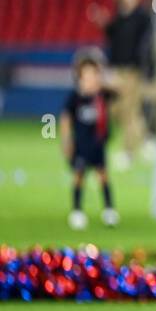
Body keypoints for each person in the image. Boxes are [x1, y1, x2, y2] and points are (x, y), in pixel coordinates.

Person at [93, 0, 152, 165]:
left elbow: (143, 46)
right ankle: (145, 140)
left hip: (132, 71)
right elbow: (116, 40)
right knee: (117, 111)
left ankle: (131, 151)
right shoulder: (120, 14)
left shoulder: (142, 15)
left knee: (130, 111)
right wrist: (106, 25)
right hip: (116, 70)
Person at [61, 50, 118, 229]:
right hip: (81, 144)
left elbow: (121, 88)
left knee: (103, 176)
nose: (91, 78)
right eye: (87, 74)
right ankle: (77, 210)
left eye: (94, 74)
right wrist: (66, 140)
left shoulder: (102, 95)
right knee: (79, 176)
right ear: (79, 77)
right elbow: (65, 119)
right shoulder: (75, 98)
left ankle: (109, 210)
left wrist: (104, 80)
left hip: (98, 144)